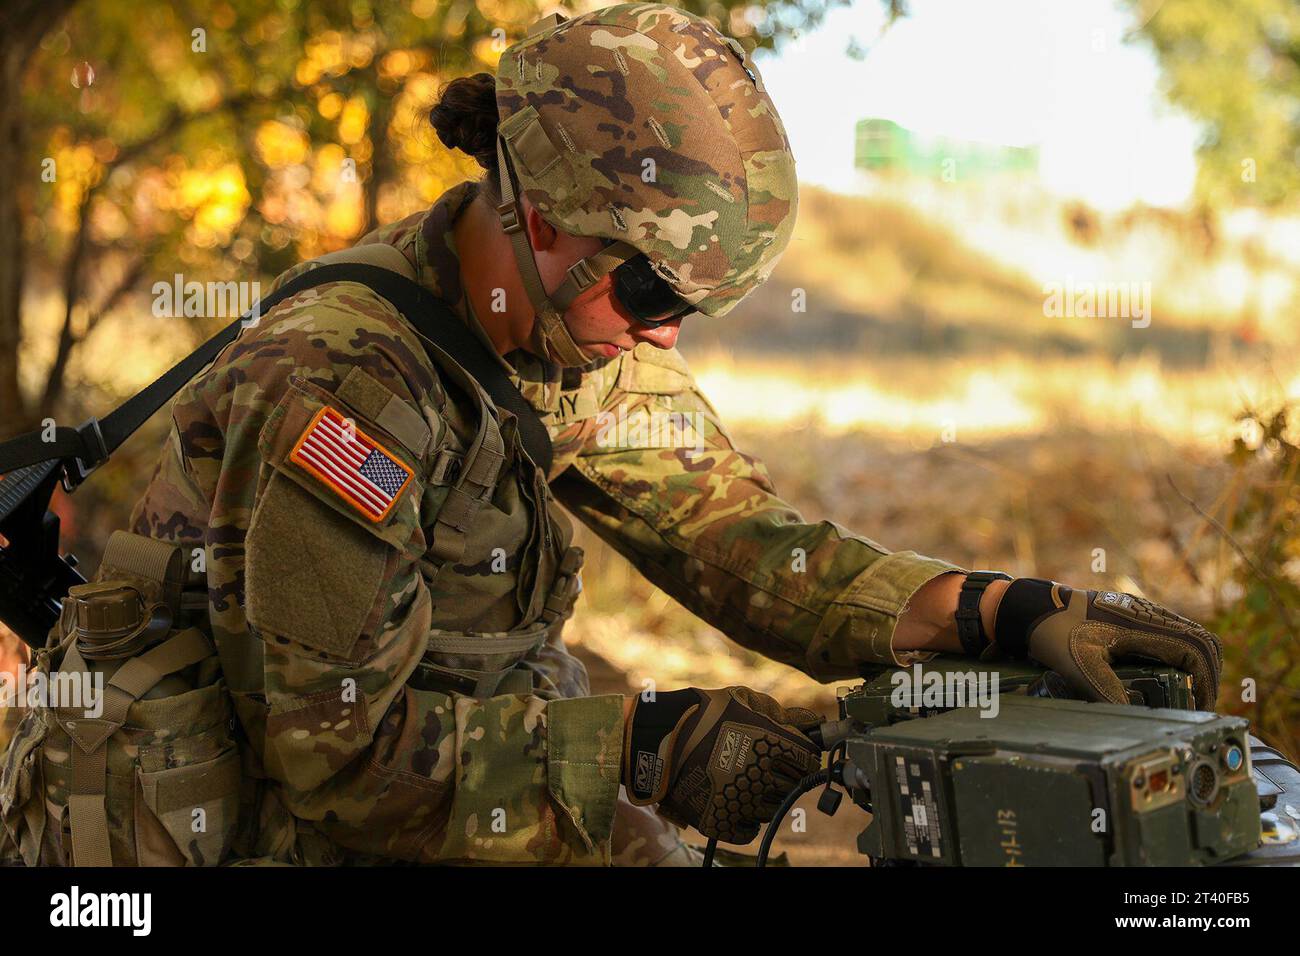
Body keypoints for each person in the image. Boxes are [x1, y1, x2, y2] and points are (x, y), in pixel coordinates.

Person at [114, 3, 1221, 865]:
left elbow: (739, 538)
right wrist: (643, 749)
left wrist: (992, 608)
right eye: (652, 291)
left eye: (696, 302)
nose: (668, 333)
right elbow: (336, 754)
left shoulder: (570, 327)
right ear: (540, 216)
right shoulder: (344, 387)